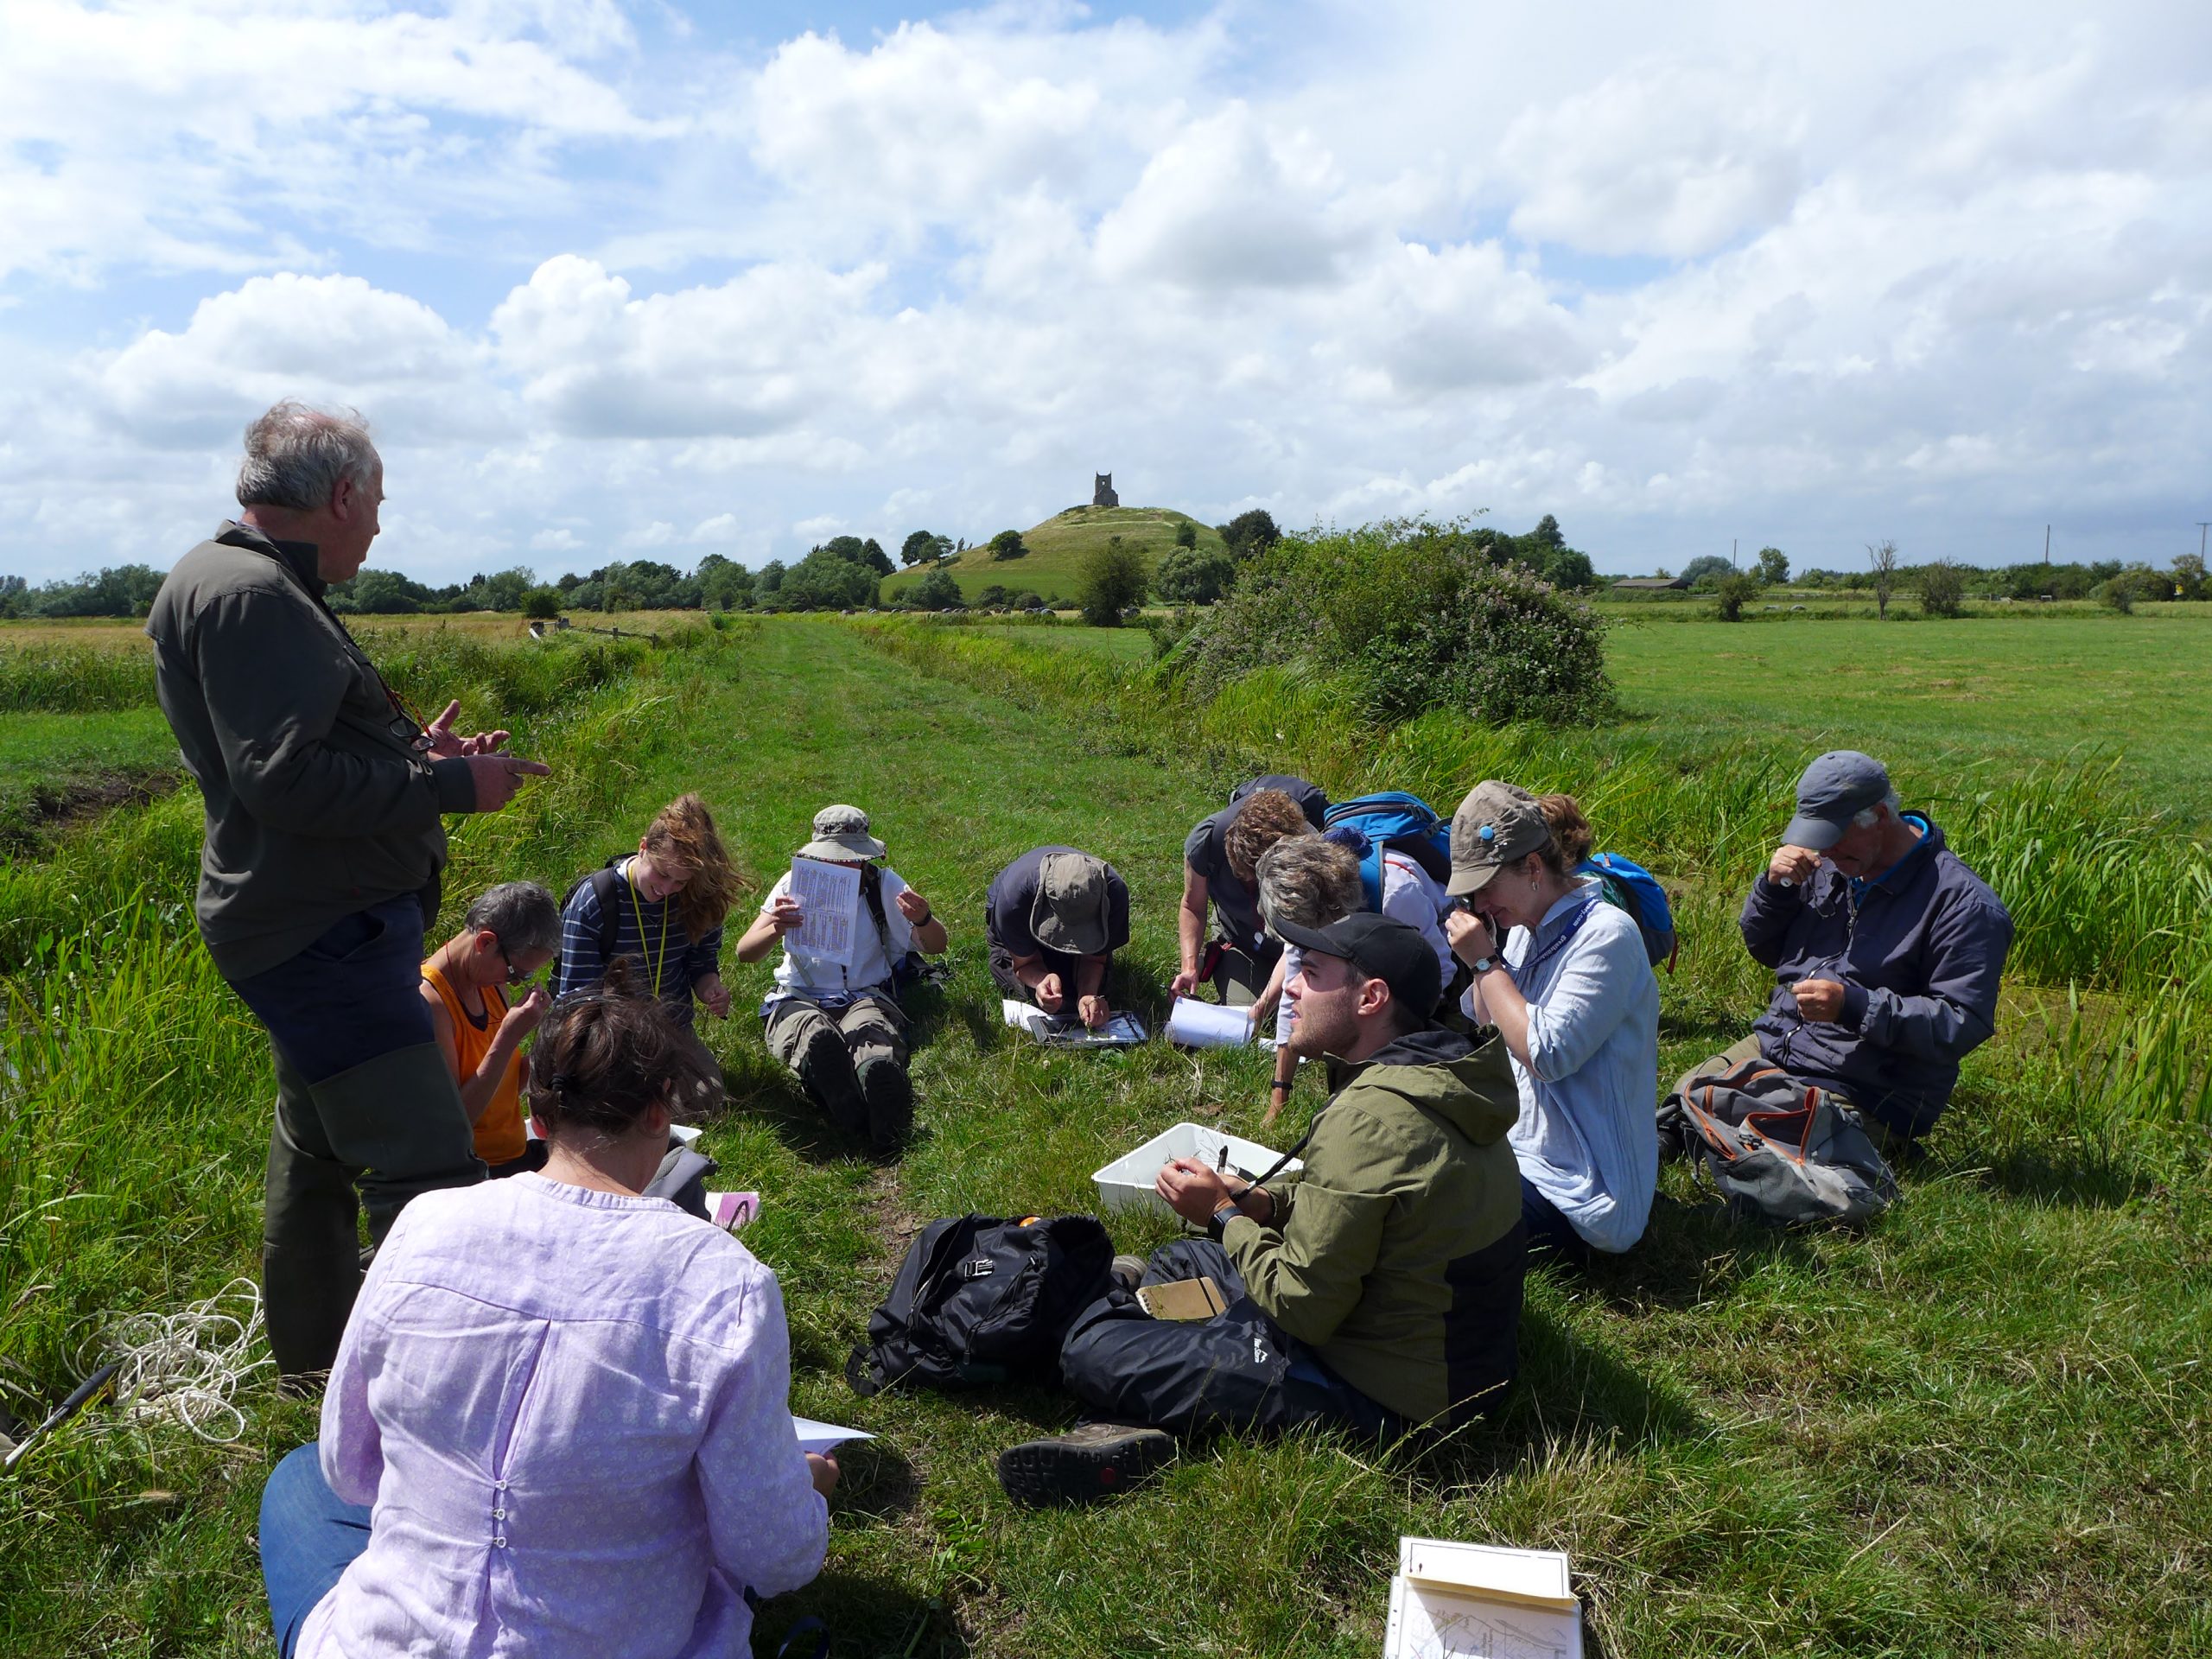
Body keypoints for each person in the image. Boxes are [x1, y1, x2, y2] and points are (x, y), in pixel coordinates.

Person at [144, 400, 548, 1381]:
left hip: (313, 923)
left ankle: (313, 1370)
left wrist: (414, 755)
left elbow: (295, 752)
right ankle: (441, 1393)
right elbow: (279, 779)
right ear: (337, 495)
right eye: (375, 502)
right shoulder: (251, 595)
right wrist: (450, 786)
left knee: (316, 1153)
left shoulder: (234, 578)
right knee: (429, 1171)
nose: (378, 523)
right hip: (323, 935)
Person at [257, 976, 835, 1659]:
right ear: (660, 1114)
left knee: (300, 1478)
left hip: (380, 1644)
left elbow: (348, 1469)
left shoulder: (425, 1222)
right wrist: (806, 1487)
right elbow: (776, 1558)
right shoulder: (725, 1285)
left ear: (537, 1115)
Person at [998, 914, 1525, 1505]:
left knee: (1087, 1347)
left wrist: (1226, 1213)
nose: (1291, 986)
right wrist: (1263, 1202)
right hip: (1447, 1354)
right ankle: (1144, 1379)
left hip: (1390, 1394)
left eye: (1313, 973)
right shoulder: (1439, 1077)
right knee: (1183, 1258)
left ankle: (1127, 1390)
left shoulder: (1370, 1119)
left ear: (1371, 998)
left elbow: (1304, 1310)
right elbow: (1366, 1207)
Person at [1707, 750, 2014, 1147]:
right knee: (1687, 1095)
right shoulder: (1831, 865)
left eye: (1834, 836)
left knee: (1755, 1135)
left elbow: (1962, 1022)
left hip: (1870, 1088)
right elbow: (1766, 949)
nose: (1826, 851)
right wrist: (1774, 889)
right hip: (1779, 1043)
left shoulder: (1964, 904)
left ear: (1880, 818)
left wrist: (1854, 1006)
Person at [1444, 783, 1660, 1260]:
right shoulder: (1524, 929)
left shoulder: (1607, 935)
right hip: (1522, 1152)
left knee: (1436, 1221)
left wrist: (1485, 965)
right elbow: (1486, 1016)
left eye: (1485, 889)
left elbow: (1548, 1054)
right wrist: (1487, 955)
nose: (1479, 906)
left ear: (1533, 868)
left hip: (1585, 1191)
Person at [734, 805, 948, 1150]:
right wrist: (776, 926)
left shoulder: (884, 884)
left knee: (873, 1035)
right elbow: (745, 952)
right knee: (811, 1031)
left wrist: (923, 919)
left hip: (864, 995)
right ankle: (837, 1087)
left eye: (854, 858)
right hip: (799, 995)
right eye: (836, 858)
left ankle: (879, 1088)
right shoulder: (794, 883)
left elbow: (938, 945)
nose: (846, 865)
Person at [553, 793, 740, 1109]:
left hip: (671, 1029)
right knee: (621, 1107)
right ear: (643, 848)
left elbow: (701, 960)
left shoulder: (698, 897)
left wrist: (710, 988)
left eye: (680, 882)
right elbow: (575, 995)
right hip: (609, 1034)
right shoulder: (595, 900)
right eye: (662, 874)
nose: (667, 889)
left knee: (705, 1102)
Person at [419, 881, 557, 1179]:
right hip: (473, 1172)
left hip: (515, 1157)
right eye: (517, 972)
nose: (517, 983)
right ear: (485, 942)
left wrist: (550, 1045)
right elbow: (457, 1122)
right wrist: (508, 1037)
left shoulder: (491, 984)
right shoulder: (430, 1002)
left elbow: (504, 1089)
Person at [1172, 775, 1328, 1006]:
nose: (1252, 888)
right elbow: (1192, 906)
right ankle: (1222, 957)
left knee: (1308, 1012)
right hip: (1242, 940)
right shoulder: (1207, 840)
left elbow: (1303, 941)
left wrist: (1263, 1008)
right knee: (1242, 1009)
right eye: (1242, 876)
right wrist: (1190, 966)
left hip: (1301, 948)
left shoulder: (1314, 856)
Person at [1250, 834, 1364, 1122]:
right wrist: (1279, 1094)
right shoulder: (1302, 909)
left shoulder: (1395, 892)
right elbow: (1291, 999)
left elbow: (1439, 974)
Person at [985, 845, 1132, 1028]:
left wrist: (1087, 994)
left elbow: (1094, 960)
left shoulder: (1115, 894)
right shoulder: (1014, 901)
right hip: (1015, 913)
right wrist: (1039, 981)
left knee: (1095, 993)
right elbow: (1023, 965)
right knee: (1036, 996)